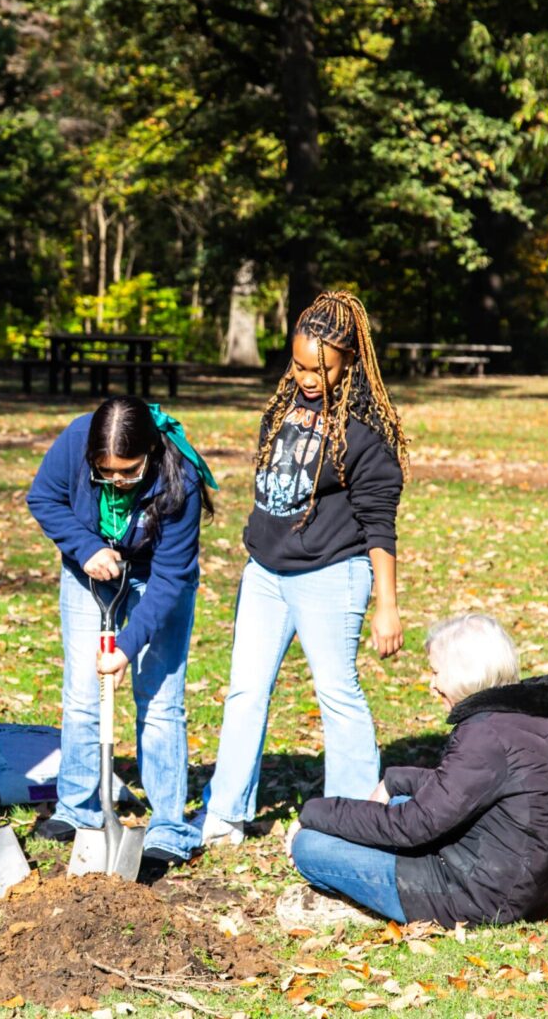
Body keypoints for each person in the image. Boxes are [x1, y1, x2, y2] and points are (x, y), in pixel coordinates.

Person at [199, 291, 410, 847]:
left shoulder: (366, 431)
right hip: (265, 575)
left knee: (337, 694)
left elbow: (380, 525)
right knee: (245, 690)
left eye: (322, 369)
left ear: (348, 363)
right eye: (298, 365)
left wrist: (387, 605)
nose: (308, 377)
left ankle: (352, 820)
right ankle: (225, 814)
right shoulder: (283, 406)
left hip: (330, 575)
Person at [287, 614, 548, 927]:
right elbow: (462, 787)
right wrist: (395, 781)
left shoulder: (485, 734)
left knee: (310, 846)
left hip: (479, 898)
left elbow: (413, 826)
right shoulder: (536, 719)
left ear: (463, 674)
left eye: (436, 672)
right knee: (397, 803)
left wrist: (313, 814)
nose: (431, 683)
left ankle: (368, 905)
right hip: (527, 885)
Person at [26, 395, 217, 870]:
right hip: (90, 570)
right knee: (83, 693)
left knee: (160, 699)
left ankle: (169, 826)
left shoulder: (181, 477)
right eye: (104, 472)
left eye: (128, 472)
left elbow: (172, 579)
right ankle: (77, 807)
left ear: (150, 453)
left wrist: (127, 648)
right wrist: (85, 546)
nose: (116, 481)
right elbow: (43, 498)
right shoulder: (75, 441)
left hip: (159, 577)